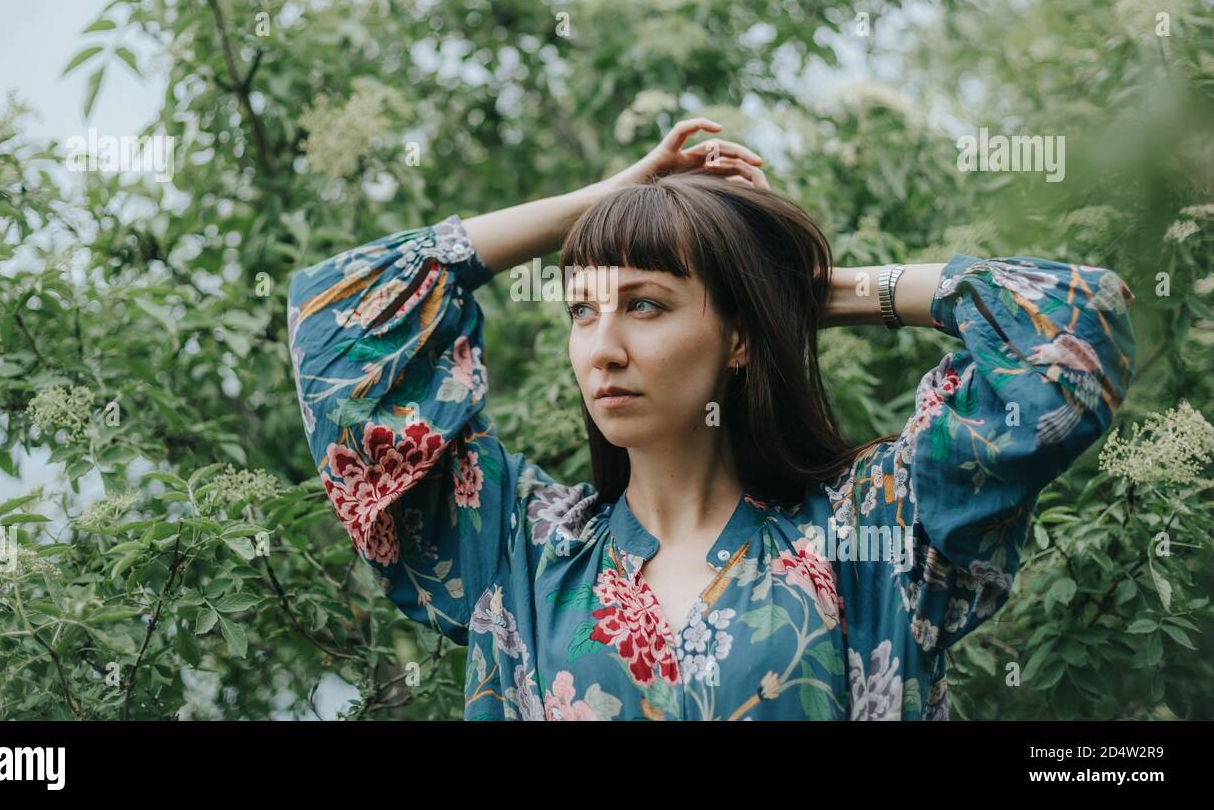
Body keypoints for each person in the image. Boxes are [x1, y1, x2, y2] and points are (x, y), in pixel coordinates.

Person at [285, 117, 1137, 720]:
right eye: (584, 310)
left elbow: (1074, 327)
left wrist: (802, 293)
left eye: (647, 307)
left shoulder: (874, 531)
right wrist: (607, 200)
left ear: (735, 340)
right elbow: (338, 319)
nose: (602, 349)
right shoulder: (515, 549)